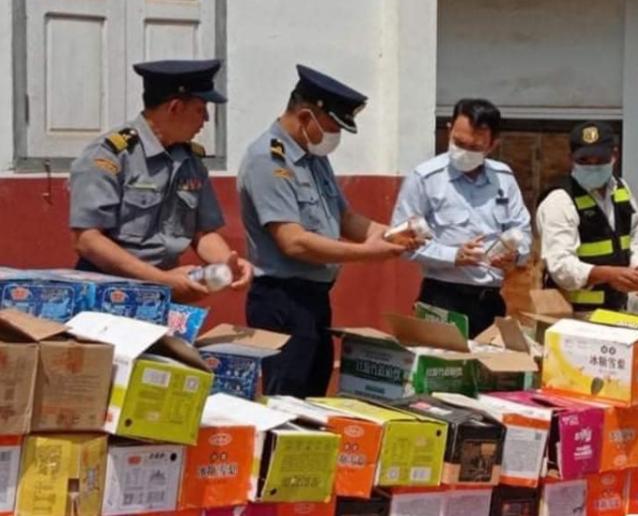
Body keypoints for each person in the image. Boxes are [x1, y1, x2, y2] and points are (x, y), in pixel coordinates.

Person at [239, 65, 416, 397]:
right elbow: (294, 243)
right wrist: (368, 254)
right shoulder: (268, 159)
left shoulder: (313, 157)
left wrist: (391, 235)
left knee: (314, 396)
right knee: (285, 401)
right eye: (332, 127)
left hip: (315, 300)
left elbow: (345, 217)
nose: (334, 137)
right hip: (281, 300)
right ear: (306, 116)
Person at [69, 59, 252, 302]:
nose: (206, 119)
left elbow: (203, 233)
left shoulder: (190, 162)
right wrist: (159, 279)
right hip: (108, 296)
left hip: (164, 293)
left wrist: (229, 262)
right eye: (200, 109)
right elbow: (88, 240)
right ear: (175, 107)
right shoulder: (110, 155)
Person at [391, 98, 531, 338]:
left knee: (487, 372)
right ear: (449, 131)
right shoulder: (426, 178)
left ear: (492, 145)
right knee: (441, 371)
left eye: (475, 147)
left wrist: (515, 255)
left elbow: (523, 230)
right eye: (459, 142)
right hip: (442, 299)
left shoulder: (503, 178)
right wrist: (453, 256)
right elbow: (401, 240)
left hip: (490, 300)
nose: (465, 152)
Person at [535, 121, 638, 313]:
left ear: (614, 156)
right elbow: (560, 266)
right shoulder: (560, 200)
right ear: (570, 159)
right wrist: (607, 274)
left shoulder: (622, 191)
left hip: (616, 311)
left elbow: (630, 241)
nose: (593, 166)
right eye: (584, 161)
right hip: (572, 315)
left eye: (600, 160)